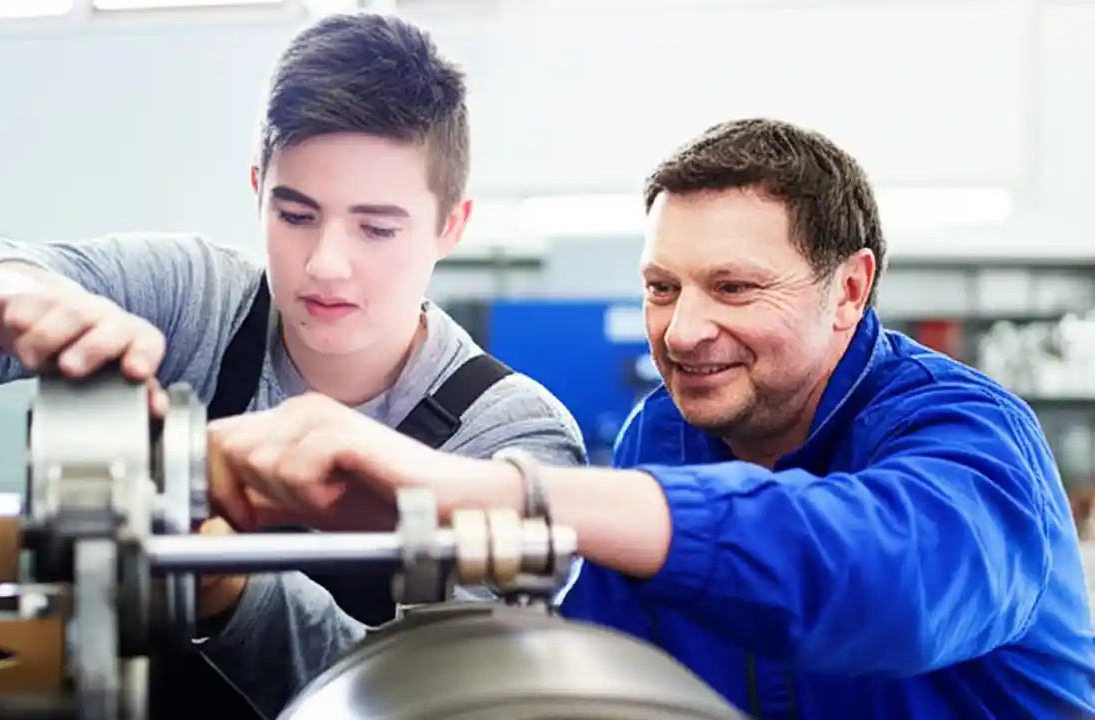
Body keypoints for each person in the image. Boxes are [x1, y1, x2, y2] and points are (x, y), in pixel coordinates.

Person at [206, 118, 1095, 718]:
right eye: (661, 288)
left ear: (849, 290)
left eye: (735, 288)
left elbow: (879, 580)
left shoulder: (970, 437)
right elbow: (583, 675)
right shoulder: (661, 436)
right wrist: (237, 595)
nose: (685, 329)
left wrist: (510, 494)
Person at [0, 12, 585, 718]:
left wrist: (234, 587)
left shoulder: (509, 438)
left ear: (451, 226)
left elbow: (447, 702)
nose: (326, 264)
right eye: (296, 215)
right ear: (258, 188)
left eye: (375, 228)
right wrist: (20, 301)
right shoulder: (195, 301)